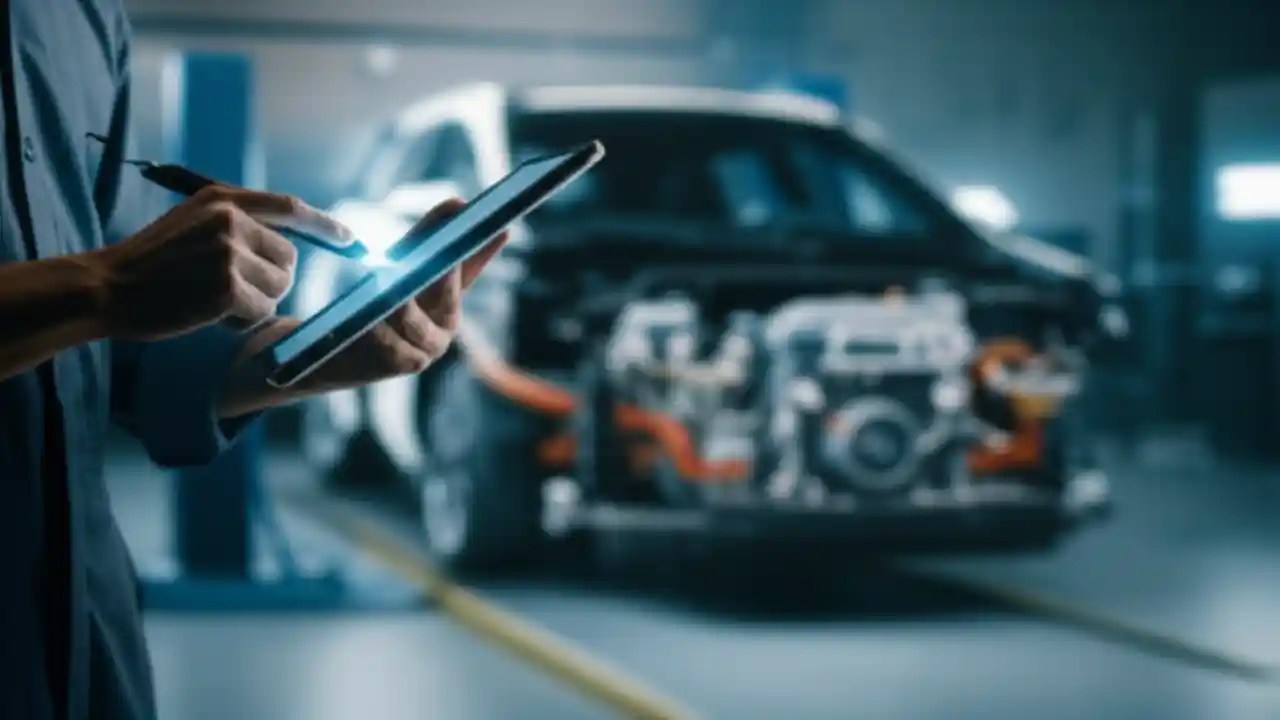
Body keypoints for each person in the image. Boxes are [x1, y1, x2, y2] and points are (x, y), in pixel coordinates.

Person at [0, 2, 505, 718]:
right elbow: (106, 295)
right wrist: (107, 287)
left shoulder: (82, 17)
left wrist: (323, 354)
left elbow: (116, 358)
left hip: (86, 648)